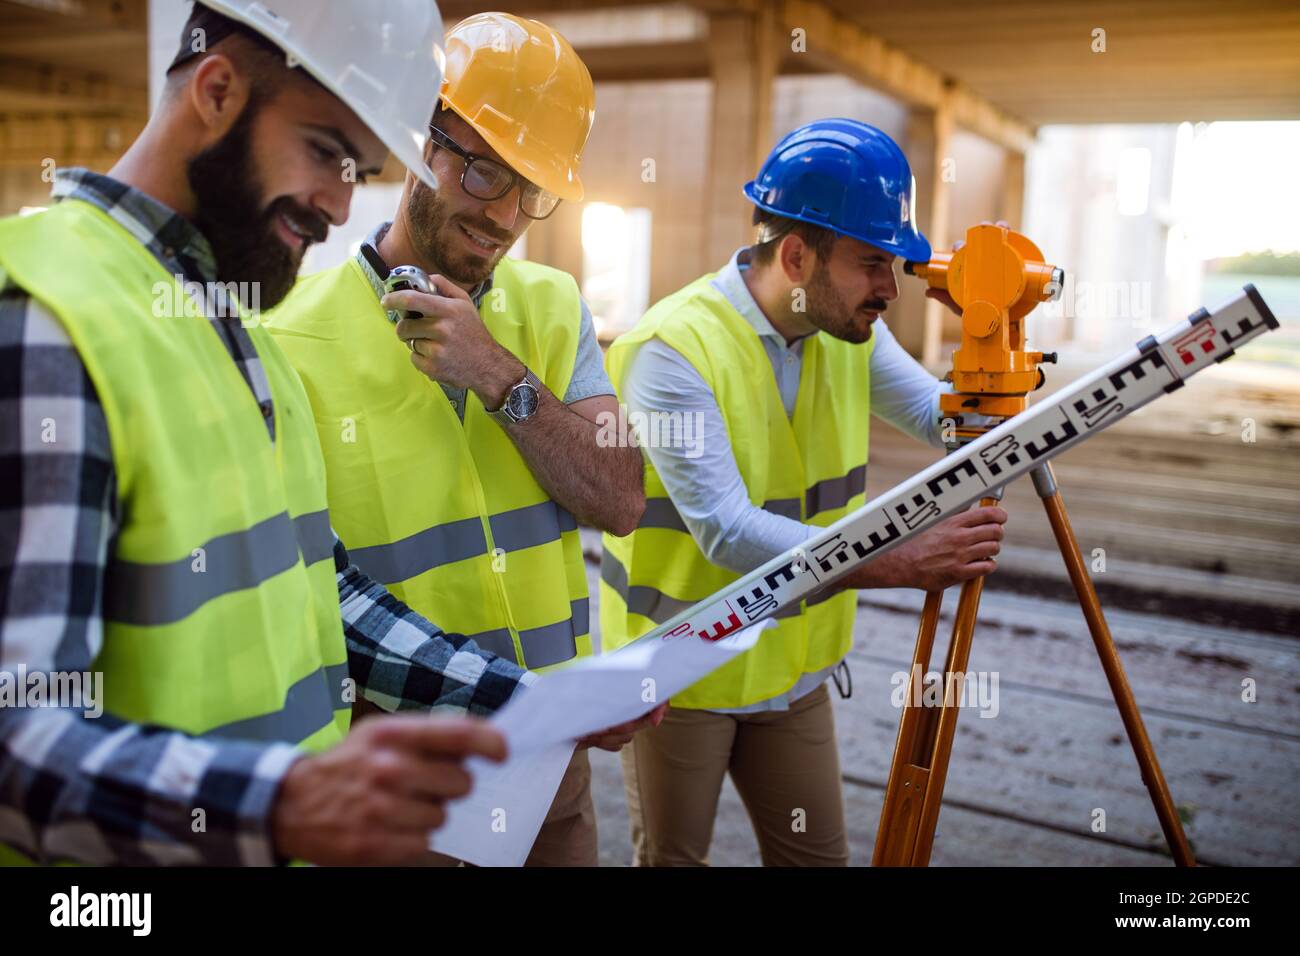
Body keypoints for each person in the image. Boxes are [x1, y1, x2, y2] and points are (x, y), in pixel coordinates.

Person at [0, 0, 637, 868]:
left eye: (362, 165)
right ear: (218, 91)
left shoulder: (234, 323)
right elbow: (18, 732)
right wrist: (278, 807)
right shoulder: (49, 320)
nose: (341, 205)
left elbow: (324, 589)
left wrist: (533, 701)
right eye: (326, 153)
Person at [265, 12, 658, 867]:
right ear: (418, 144)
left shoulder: (554, 307)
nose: (505, 215)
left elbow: (620, 499)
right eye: (482, 171)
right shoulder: (287, 341)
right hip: (404, 793)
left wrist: (501, 378)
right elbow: (308, 597)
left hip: (552, 770)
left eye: (531, 189)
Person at [600, 119, 1009, 866]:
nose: (890, 289)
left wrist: (994, 347)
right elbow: (725, 529)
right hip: (681, 674)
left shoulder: (846, 330)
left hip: (791, 669)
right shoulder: (673, 353)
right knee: (673, 861)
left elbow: (942, 421)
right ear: (795, 256)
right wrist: (898, 559)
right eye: (871, 264)